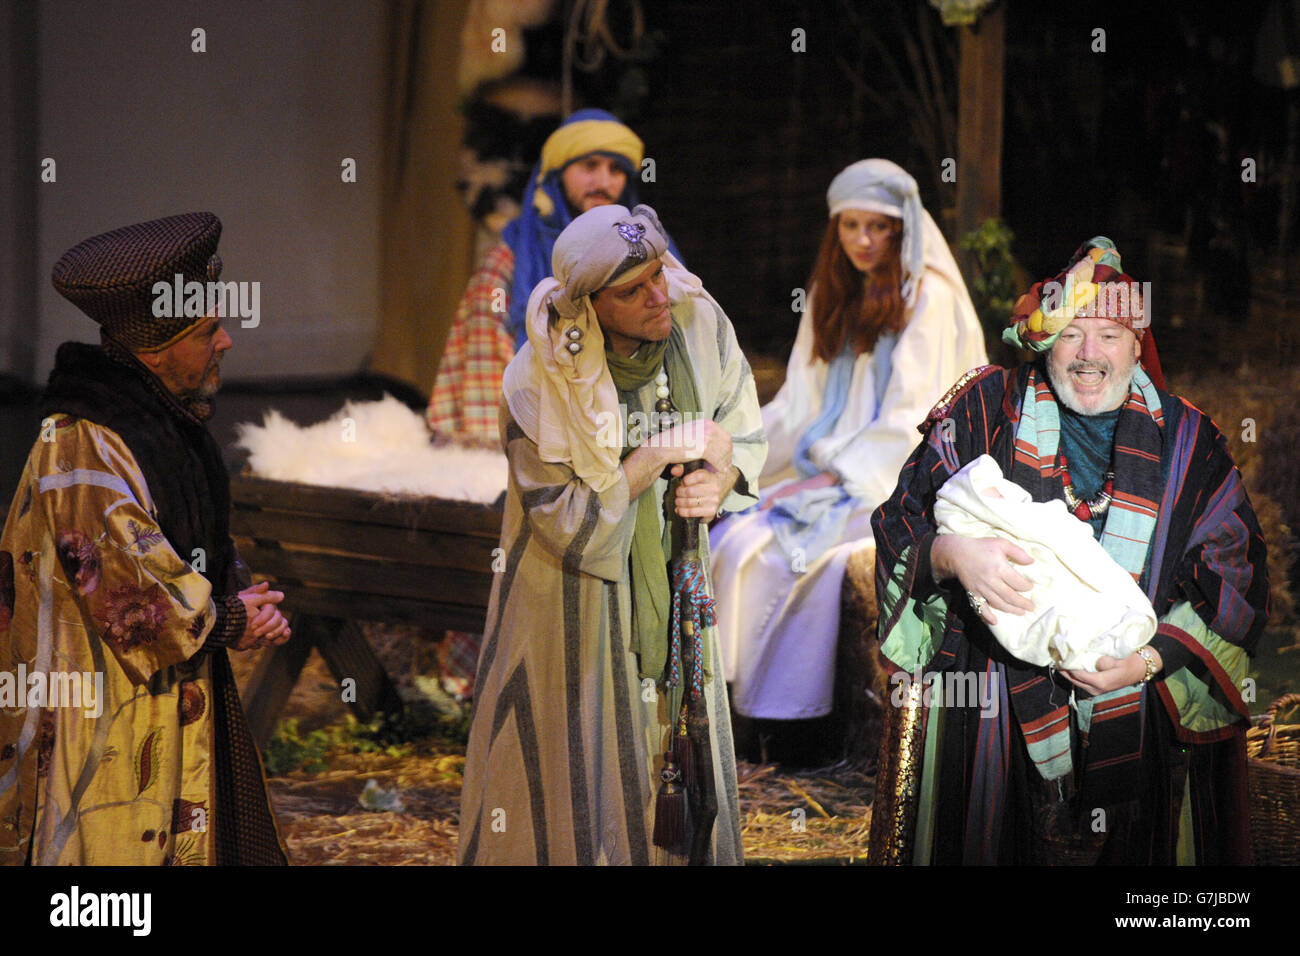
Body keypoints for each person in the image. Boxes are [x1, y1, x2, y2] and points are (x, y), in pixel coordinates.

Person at [870, 237, 1268, 865]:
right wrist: (950, 555)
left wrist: (1147, 662)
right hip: (992, 703)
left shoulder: (1190, 441)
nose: (1089, 355)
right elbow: (901, 519)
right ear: (1043, 341)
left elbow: (1233, 575)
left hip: (1138, 711)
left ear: (1138, 345)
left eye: (1109, 335)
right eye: (1072, 333)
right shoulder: (982, 412)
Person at [457, 204, 766, 865]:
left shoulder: (698, 322)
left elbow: (742, 422)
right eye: (633, 291)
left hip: (677, 579)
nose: (659, 294)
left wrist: (721, 478)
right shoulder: (540, 378)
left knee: (674, 745)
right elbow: (558, 518)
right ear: (590, 304)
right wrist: (646, 462)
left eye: (658, 274)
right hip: (573, 600)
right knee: (584, 758)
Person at [0, 213, 291, 865]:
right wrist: (227, 622)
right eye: (210, 329)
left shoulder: (160, 421)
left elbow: (177, 530)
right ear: (158, 350)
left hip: (176, 698)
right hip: (101, 721)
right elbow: (126, 593)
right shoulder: (82, 446)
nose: (227, 342)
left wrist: (235, 585)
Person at [708, 158, 987, 728]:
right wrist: (738, 457)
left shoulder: (928, 299)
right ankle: (728, 710)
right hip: (834, 470)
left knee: (778, 557)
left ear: (902, 229)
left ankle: (787, 723)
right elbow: (797, 405)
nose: (862, 240)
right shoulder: (830, 292)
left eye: (878, 227)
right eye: (850, 226)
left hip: (896, 479)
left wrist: (836, 477)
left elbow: (915, 417)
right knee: (731, 537)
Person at [428, 107, 674, 447]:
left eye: (616, 169)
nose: (603, 182)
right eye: (589, 166)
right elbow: (488, 371)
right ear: (557, 172)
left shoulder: (652, 252)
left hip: (631, 429)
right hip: (536, 438)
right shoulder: (512, 259)